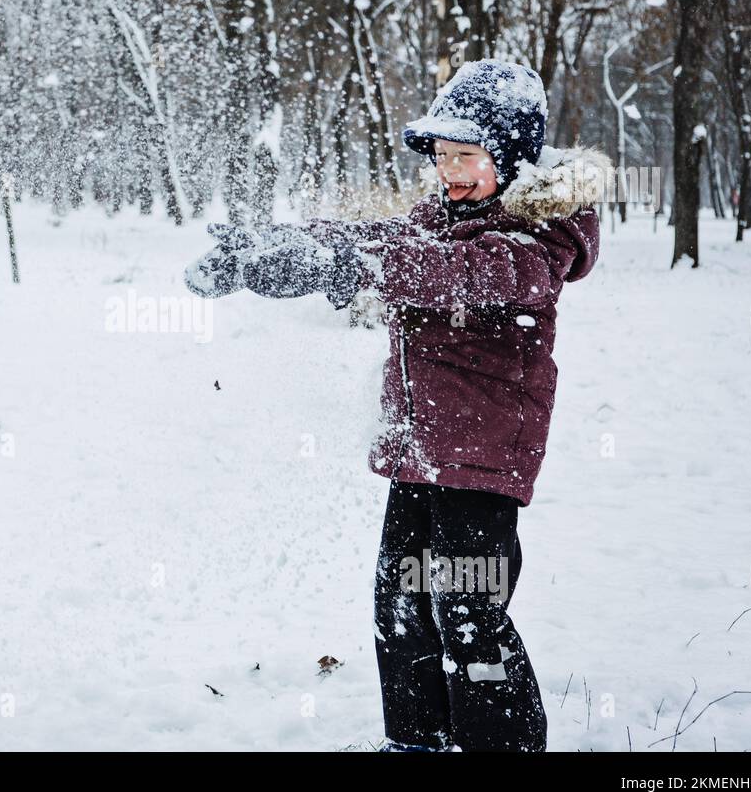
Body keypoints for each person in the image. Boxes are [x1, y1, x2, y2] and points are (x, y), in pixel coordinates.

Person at [185, 60, 606, 751]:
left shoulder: (538, 239)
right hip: (420, 446)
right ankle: (416, 740)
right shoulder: (445, 216)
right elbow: (383, 238)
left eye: (468, 155)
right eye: (443, 157)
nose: (453, 171)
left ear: (514, 155)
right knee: (402, 603)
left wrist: (350, 269)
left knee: (468, 609)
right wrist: (289, 244)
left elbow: (454, 274)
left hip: (483, 456)